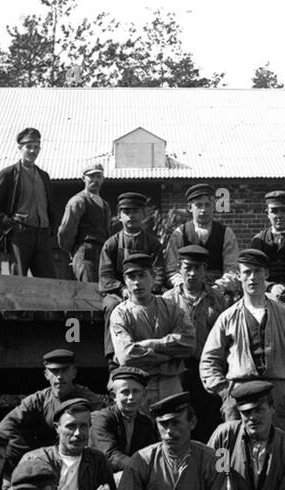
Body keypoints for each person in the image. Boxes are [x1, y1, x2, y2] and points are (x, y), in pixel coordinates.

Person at [200, 248, 285, 440]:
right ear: (239, 276)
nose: (252, 278)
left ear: (266, 274)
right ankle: (223, 472)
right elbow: (208, 361)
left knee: (284, 447)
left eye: (257, 271)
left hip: (275, 394)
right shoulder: (228, 317)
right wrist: (226, 391)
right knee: (229, 449)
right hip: (239, 394)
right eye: (247, 272)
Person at [109, 253, 196, 411]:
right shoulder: (120, 313)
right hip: (139, 387)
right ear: (125, 280)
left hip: (170, 384)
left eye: (142, 275)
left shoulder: (171, 307)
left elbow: (188, 344)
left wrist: (152, 344)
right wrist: (169, 354)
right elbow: (127, 356)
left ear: (153, 277)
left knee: (173, 430)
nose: (137, 282)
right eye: (131, 277)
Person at [0, 349, 108, 472]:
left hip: (78, 457)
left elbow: (103, 425)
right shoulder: (39, 400)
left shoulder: (89, 398)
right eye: (54, 371)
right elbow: (5, 427)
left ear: (74, 373)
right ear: (46, 374)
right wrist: (27, 452)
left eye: (65, 370)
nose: (60, 376)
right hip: (43, 460)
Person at [162, 244, 227, 441]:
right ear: (180, 268)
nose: (191, 273)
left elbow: (225, 335)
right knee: (178, 419)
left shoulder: (216, 299)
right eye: (187, 268)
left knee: (208, 421)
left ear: (204, 270)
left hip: (207, 368)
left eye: (197, 268)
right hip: (178, 369)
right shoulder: (168, 300)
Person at [0, 126, 62, 278]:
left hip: (42, 235)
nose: (33, 151)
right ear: (20, 148)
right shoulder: (8, 175)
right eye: (28, 147)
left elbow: (50, 206)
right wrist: (12, 226)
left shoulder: (43, 176)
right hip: (20, 235)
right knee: (18, 279)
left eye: (36, 147)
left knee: (48, 281)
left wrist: (51, 227)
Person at [99, 192, 166, 362]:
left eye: (136, 212)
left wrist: (149, 289)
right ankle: (113, 357)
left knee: (163, 306)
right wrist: (122, 290)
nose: (131, 216)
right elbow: (106, 277)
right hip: (118, 292)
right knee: (112, 306)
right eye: (126, 212)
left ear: (143, 215)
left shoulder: (153, 244)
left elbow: (158, 272)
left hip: (147, 289)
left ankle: (156, 353)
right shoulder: (111, 244)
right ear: (119, 216)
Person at [165, 183, 240, 293]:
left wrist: (218, 287)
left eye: (207, 205)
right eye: (199, 205)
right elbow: (171, 270)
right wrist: (183, 286)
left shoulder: (225, 233)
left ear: (213, 206)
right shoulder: (180, 234)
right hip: (187, 290)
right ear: (190, 207)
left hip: (219, 291)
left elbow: (232, 270)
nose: (203, 210)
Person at [90, 366, 157, 476]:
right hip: (101, 477)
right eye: (125, 392)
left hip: (134, 475)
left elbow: (149, 454)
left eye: (136, 392)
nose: (131, 397)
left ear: (144, 395)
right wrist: (140, 467)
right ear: (114, 396)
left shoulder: (146, 423)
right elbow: (110, 455)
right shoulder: (103, 418)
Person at [58, 163, 112, 283]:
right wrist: (73, 251)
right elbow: (66, 230)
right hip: (85, 253)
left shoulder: (105, 205)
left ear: (103, 179)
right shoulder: (78, 201)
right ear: (84, 178)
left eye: (98, 176)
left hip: (102, 254)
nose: (95, 180)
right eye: (91, 176)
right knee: (89, 290)